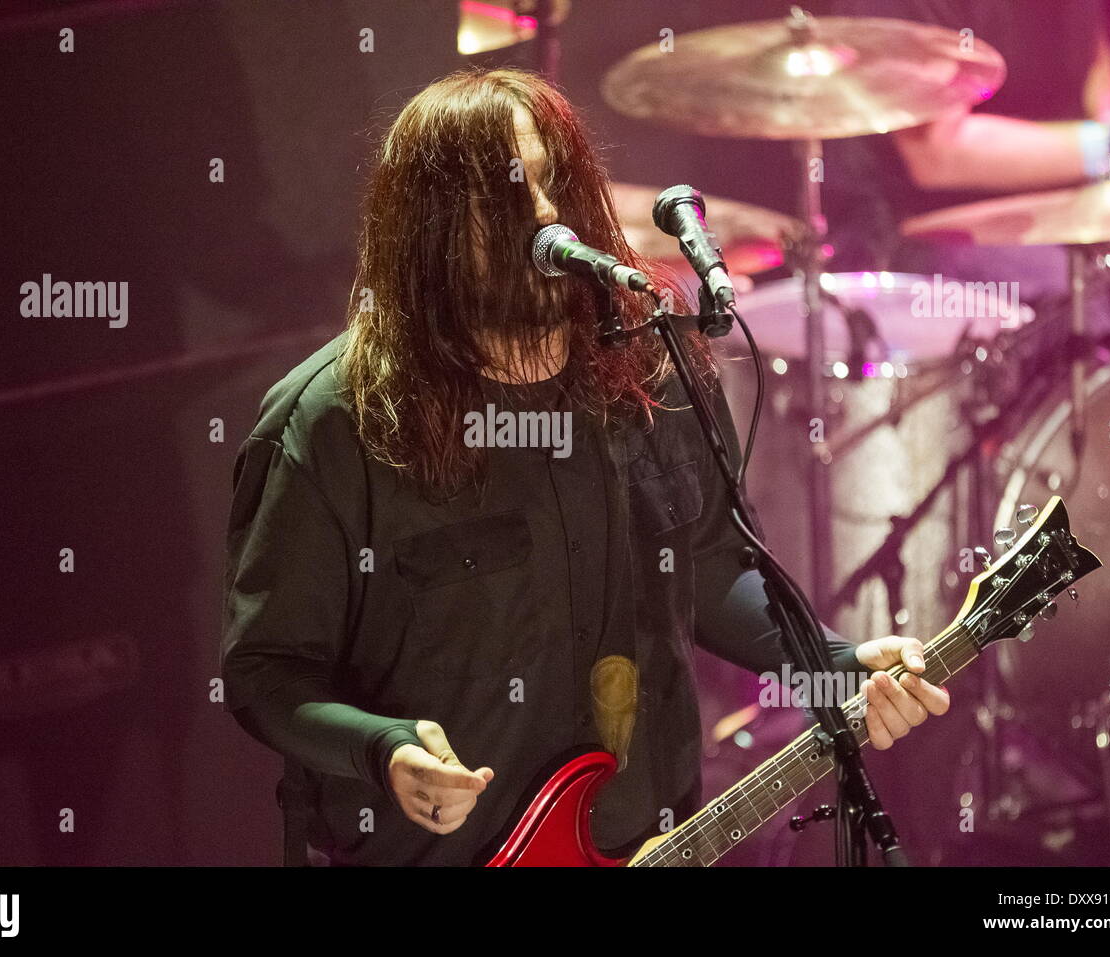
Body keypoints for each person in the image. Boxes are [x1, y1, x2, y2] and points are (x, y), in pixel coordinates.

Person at [219, 67, 949, 867]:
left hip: (644, 841)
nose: (542, 210)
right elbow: (267, 669)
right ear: (429, 230)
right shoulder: (332, 423)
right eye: (507, 191)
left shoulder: (649, 369)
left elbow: (707, 566)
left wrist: (832, 663)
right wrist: (383, 748)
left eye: (552, 180)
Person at [826, 0, 1110, 339]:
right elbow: (935, 155)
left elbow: (1093, 58)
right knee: (1080, 323)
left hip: (1057, 217)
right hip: (914, 235)